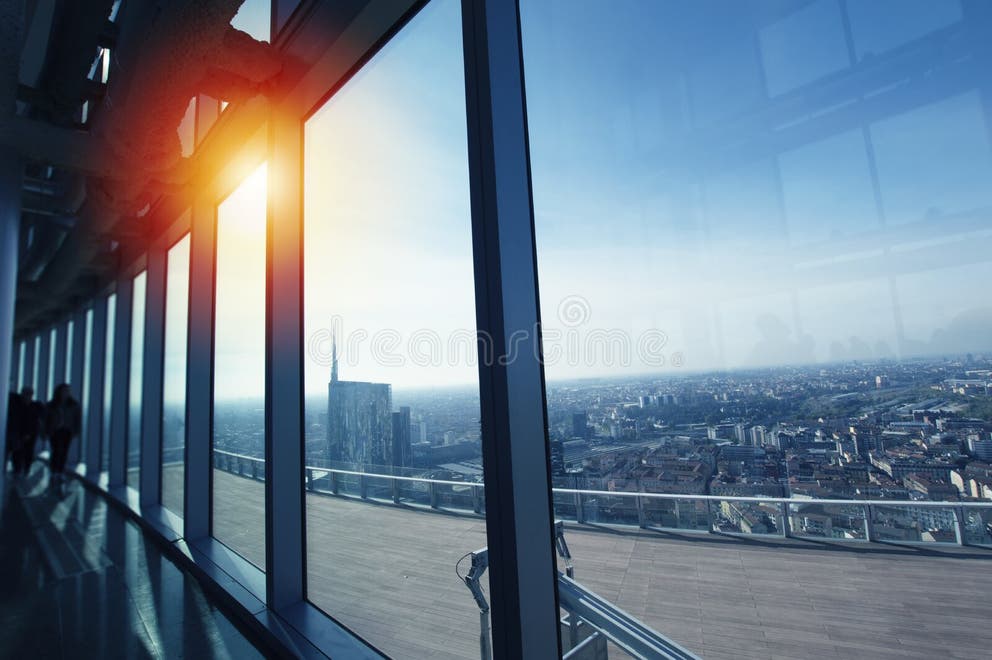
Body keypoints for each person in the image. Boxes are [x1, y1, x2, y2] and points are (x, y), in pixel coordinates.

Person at [46, 384, 81, 491]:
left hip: (67, 431)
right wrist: (46, 431)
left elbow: (77, 419)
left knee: (64, 451)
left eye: (68, 391)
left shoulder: (74, 404)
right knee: (56, 450)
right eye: (64, 391)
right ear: (59, 392)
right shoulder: (51, 405)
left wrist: (76, 430)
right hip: (55, 430)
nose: (66, 393)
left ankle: (60, 472)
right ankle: (54, 472)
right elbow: (46, 418)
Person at [12, 387, 44, 476]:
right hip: (21, 432)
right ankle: (19, 469)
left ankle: (25, 468)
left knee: (27, 451)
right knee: (18, 451)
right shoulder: (19, 405)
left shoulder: (35, 406)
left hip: (30, 433)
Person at [5, 388, 24, 474]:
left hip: (12, 430)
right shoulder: (17, 399)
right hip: (14, 430)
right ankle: (16, 471)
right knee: (16, 452)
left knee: (12, 452)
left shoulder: (15, 399)